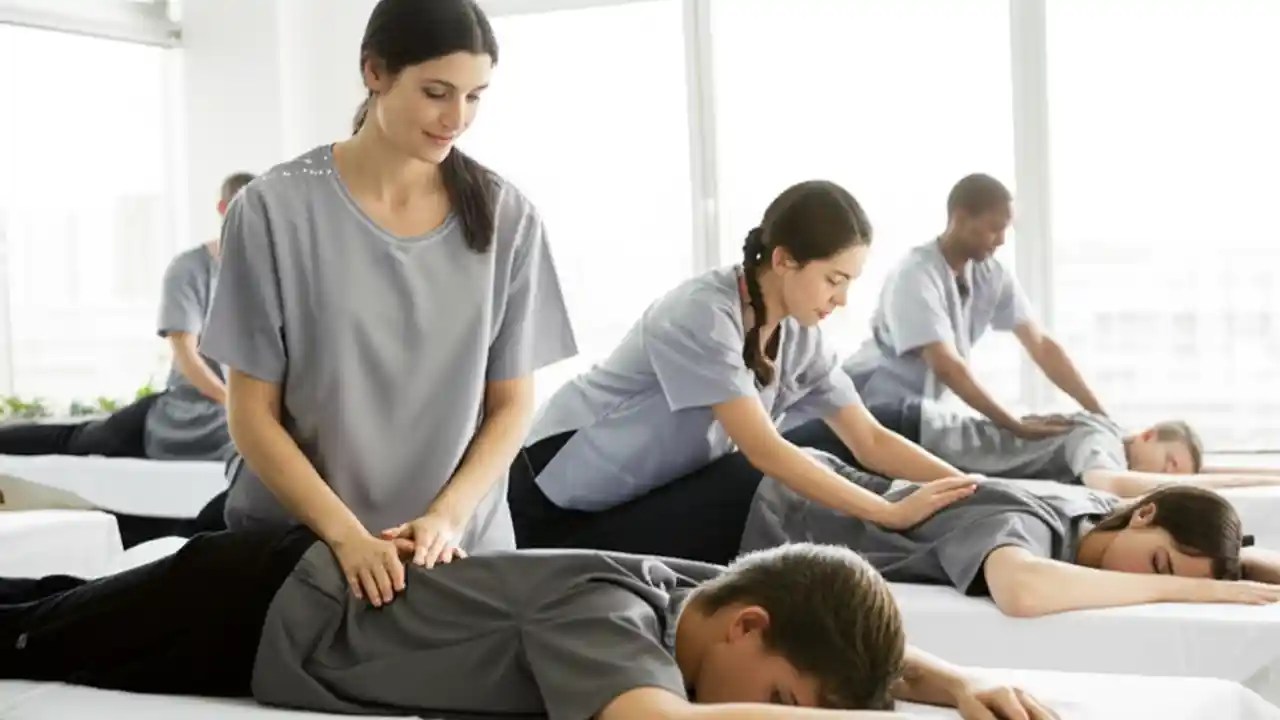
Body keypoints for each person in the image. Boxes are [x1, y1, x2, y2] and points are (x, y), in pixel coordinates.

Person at [200, 0, 577, 608]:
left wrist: (447, 520)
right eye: (437, 92)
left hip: (456, 554)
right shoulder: (274, 210)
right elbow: (251, 416)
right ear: (374, 72)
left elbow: (511, 407)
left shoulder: (510, 218)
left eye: (475, 96)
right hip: (303, 552)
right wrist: (348, 539)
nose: (457, 117)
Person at [0, 527, 1058, 720]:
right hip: (242, 610)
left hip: (265, 594)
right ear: (743, 628)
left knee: (44, 604)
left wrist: (953, 684)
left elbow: (846, 633)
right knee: (26, 639)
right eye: (780, 705)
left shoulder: (690, 591)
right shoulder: (607, 616)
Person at [512, 181, 979, 560]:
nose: (842, 300)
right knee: (756, 481)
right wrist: (887, 512)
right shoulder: (701, 313)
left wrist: (969, 489)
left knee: (797, 465)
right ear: (783, 260)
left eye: (849, 283)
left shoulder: (799, 336)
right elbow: (764, 451)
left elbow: (870, 440)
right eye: (834, 280)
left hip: (641, 495)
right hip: (552, 500)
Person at [518, 442, 1280, 617]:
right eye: (1152, 564)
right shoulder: (1033, 524)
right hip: (754, 508)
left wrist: (1241, 576)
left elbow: (1208, 559)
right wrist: (1161, 595)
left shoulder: (1087, 523)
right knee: (539, 531)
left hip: (769, 501)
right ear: (1142, 513)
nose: (1140, 578)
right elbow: (1018, 592)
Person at [0, 172, 253, 462]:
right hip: (181, 415)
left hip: (228, 412)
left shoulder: (263, 275)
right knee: (76, 439)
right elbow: (187, 357)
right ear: (223, 209)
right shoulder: (190, 269)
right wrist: (234, 403)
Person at [843, 174, 1105, 441]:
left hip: (923, 415)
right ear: (960, 218)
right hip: (874, 407)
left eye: (1006, 229)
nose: (1002, 239)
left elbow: (1041, 345)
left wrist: (1101, 416)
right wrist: (1014, 424)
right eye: (994, 228)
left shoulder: (991, 274)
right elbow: (947, 365)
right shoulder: (914, 276)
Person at [791, 399, 1280, 498]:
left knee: (783, 457)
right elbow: (1104, 482)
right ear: (1147, 434)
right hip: (908, 432)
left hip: (915, 433)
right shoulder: (1101, 439)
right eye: (1170, 467)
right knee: (774, 453)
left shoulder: (1098, 432)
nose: (1166, 478)